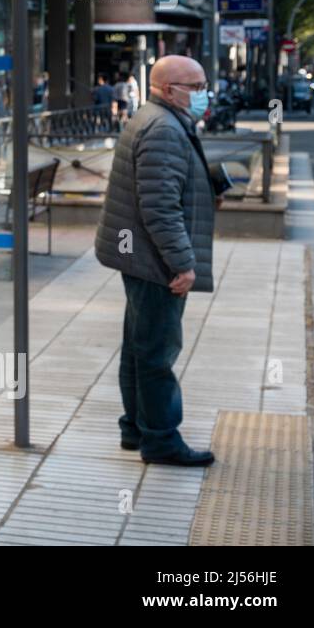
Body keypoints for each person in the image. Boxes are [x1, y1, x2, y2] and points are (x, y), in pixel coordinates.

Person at [94, 55, 216, 467]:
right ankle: (161, 440)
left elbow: (161, 186)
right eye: (196, 87)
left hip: (140, 255)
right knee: (157, 352)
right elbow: (159, 208)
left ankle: (136, 428)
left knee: (138, 346)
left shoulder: (155, 118)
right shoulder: (163, 128)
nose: (204, 93)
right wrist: (182, 263)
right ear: (168, 89)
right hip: (154, 260)